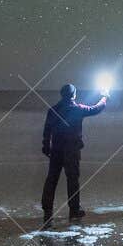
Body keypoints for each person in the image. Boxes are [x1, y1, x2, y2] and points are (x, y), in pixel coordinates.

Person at [40, 82, 108, 224]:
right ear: (74, 95)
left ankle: (47, 211)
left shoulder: (53, 110)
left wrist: (46, 146)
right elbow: (96, 109)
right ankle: (74, 210)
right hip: (72, 150)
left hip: (56, 150)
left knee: (52, 179)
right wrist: (104, 97)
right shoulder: (78, 109)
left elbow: (47, 130)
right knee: (72, 180)